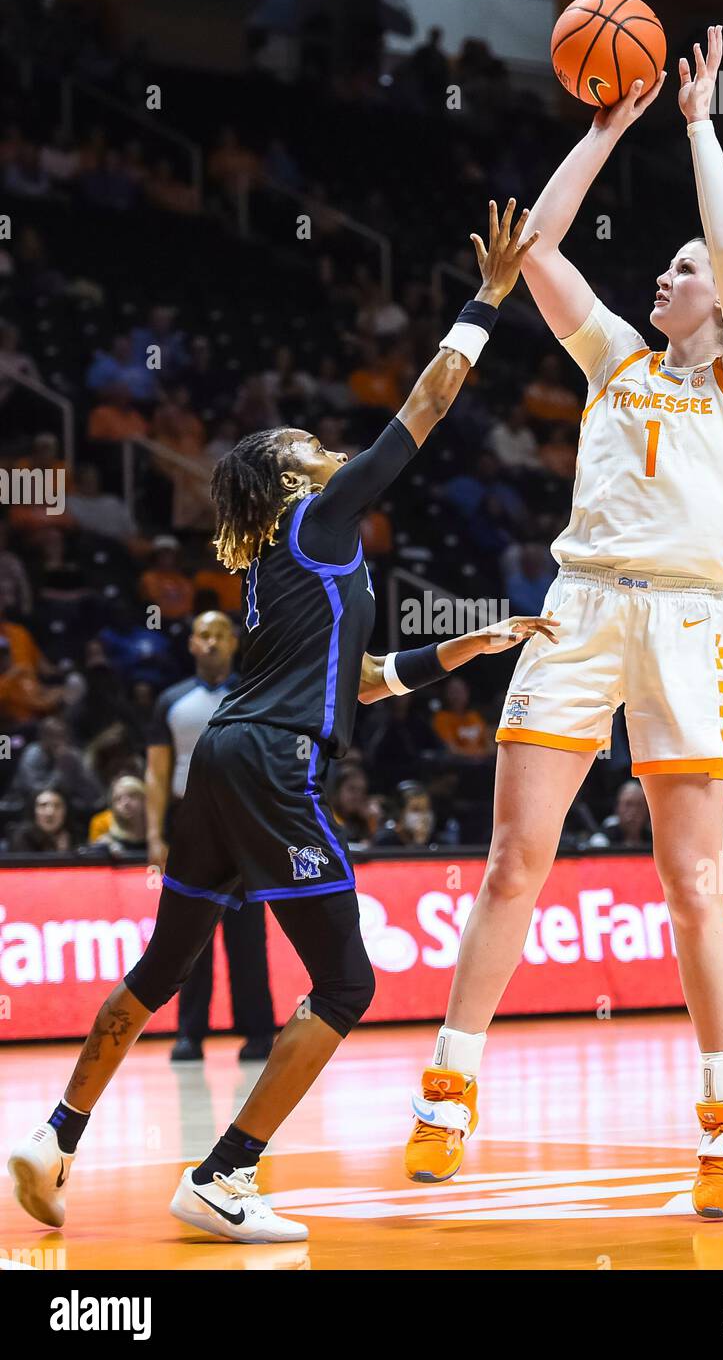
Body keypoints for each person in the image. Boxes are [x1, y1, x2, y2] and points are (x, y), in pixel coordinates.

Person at [7, 198, 551, 1244]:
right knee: (346, 981)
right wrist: (487, 298)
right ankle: (224, 1174)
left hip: (225, 756)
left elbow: (359, 682)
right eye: (309, 442)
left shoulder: (283, 562)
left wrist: (464, 648)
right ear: (289, 474)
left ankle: (53, 1135)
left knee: (161, 968)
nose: (329, 445)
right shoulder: (320, 516)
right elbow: (427, 406)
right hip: (271, 761)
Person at [402, 28, 723, 1223]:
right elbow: (533, 248)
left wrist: (697, 126)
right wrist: (604, 130)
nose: (665, 279)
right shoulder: (617, 359)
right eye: (668, 267)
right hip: (577, 613)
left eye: (683, 270)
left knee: (693, 882)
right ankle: (447, 1096)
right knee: (512, 862)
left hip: (683, 625)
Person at [145, 611, 276, 1063]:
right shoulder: (171, 701)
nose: (213, 642)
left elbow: (268, 764)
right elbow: (156, 773)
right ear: (192, 644)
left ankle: (258, 1032)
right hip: (189, 824)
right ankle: (189, 1033)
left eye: (221, 634)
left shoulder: (255, 693)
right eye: (204, 634)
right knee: (188, 934)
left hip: (243, 824)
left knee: (248, 937)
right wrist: (153, 835)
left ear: (235, 643)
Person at [5, 788, 73, 854]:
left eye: (57, 805)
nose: (50, 812)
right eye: (43, 805)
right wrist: (60, 854)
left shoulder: (73, 834)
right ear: (33, 811)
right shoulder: (21, 837)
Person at [599, 779, 652, 849]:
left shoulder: (655, 840)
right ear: (617, 808)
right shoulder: (602, 841)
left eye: (639, 805)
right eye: (628, 804)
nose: (633, 811)